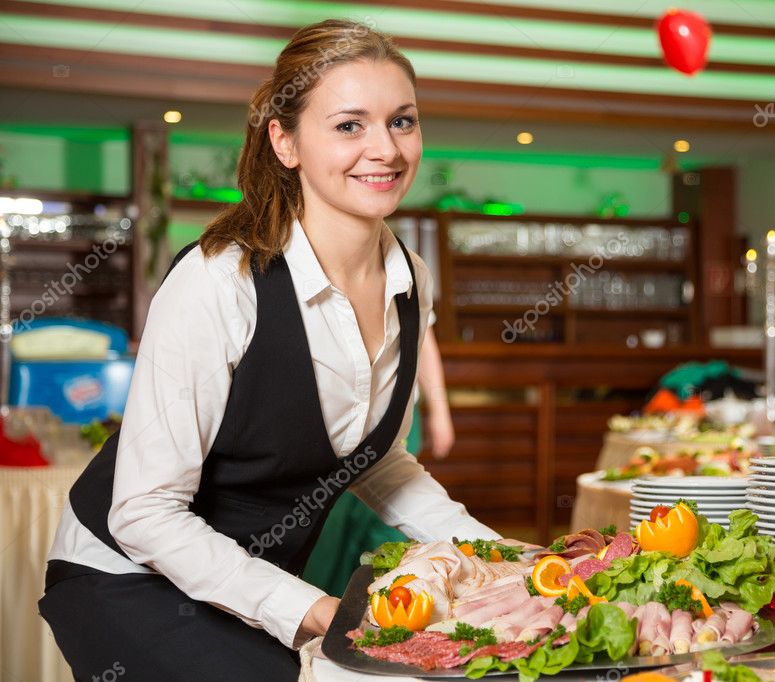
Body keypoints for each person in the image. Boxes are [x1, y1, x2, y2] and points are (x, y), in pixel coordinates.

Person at [39, 19, 509, 681]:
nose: (385, 148)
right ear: (284, 141)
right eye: (349, 125)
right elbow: (143, 513)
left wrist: (498, 555)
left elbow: (376, 461)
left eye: (402, 121)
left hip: (250, 579)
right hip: (125, 576)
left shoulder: (410, 281)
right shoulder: (219, 281)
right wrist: (317, 609)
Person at [302, 325, 455, 596]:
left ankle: (384, 613)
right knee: (327, 528)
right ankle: (321, 618)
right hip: (333, 417)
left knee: (388, 530)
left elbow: (423, 334)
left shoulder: (415, 285)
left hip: (395, 414)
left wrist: (439, 409)